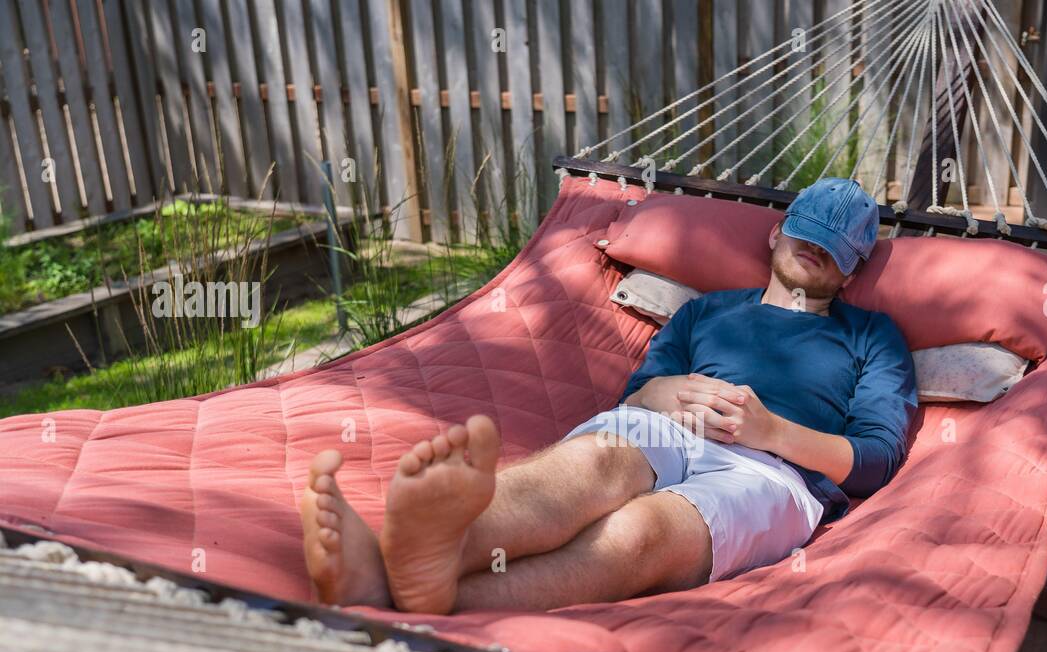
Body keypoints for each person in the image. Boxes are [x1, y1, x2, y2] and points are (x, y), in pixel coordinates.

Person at [300, 177, 917, 614]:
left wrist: (772, 432)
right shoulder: (706, 313)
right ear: (776, 233)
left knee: (640, 532)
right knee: (595, 463)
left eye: (833, 249)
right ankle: (421, 550)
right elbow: (634, 396)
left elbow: (876, 460)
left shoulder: (872, 337)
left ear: (853, 270)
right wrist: (663, 390)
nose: (814, 249)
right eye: (806, 234)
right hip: (666, 424)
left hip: (773, 472)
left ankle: (394, 584)